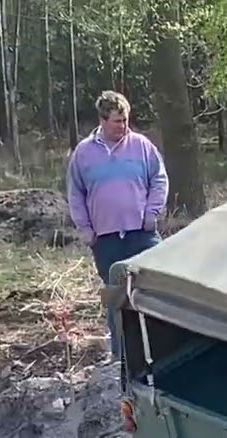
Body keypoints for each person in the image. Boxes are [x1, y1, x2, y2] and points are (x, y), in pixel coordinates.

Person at [66, 90, 169, 362]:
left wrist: (152, 212)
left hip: (141, 233)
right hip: (106, 238)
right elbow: (75, 193)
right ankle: (120, 356)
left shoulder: (142, 146)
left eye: (125, 120)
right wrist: (85, 229)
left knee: (156, 288)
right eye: (117, 121)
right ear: (102, 120)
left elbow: (159, 180)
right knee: (114, 296)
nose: (123, 126)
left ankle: (160, 350)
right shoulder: (83, 153)